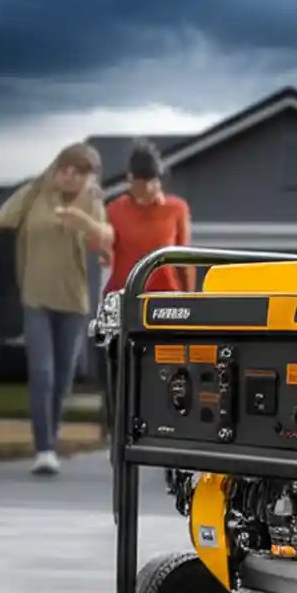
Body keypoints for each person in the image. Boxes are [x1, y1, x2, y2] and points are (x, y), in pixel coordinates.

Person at [0, 142, 112, 476]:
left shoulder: (92, 200)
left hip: (74, 303)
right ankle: (44, 448)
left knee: (62, 381)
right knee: (42, 373)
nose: (68, 176)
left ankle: (52, 432)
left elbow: (102, 240)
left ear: (88, 178)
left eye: (78, 173)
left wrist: (82, 220)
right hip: (36, 299)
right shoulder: (34, 193)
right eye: (65, 169)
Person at [99, 140, 193, 438]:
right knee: (120, 367)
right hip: (125, 297)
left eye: (153, 181)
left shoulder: (176, 209)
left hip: (164, 299)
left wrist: (191, 300)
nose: (148, 189)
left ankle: (165, 429)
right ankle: (116, 431)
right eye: (142, 182)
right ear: (130, 181)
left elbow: (184, 256)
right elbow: (104, 251)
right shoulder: (114, 210)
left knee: (163, 369)